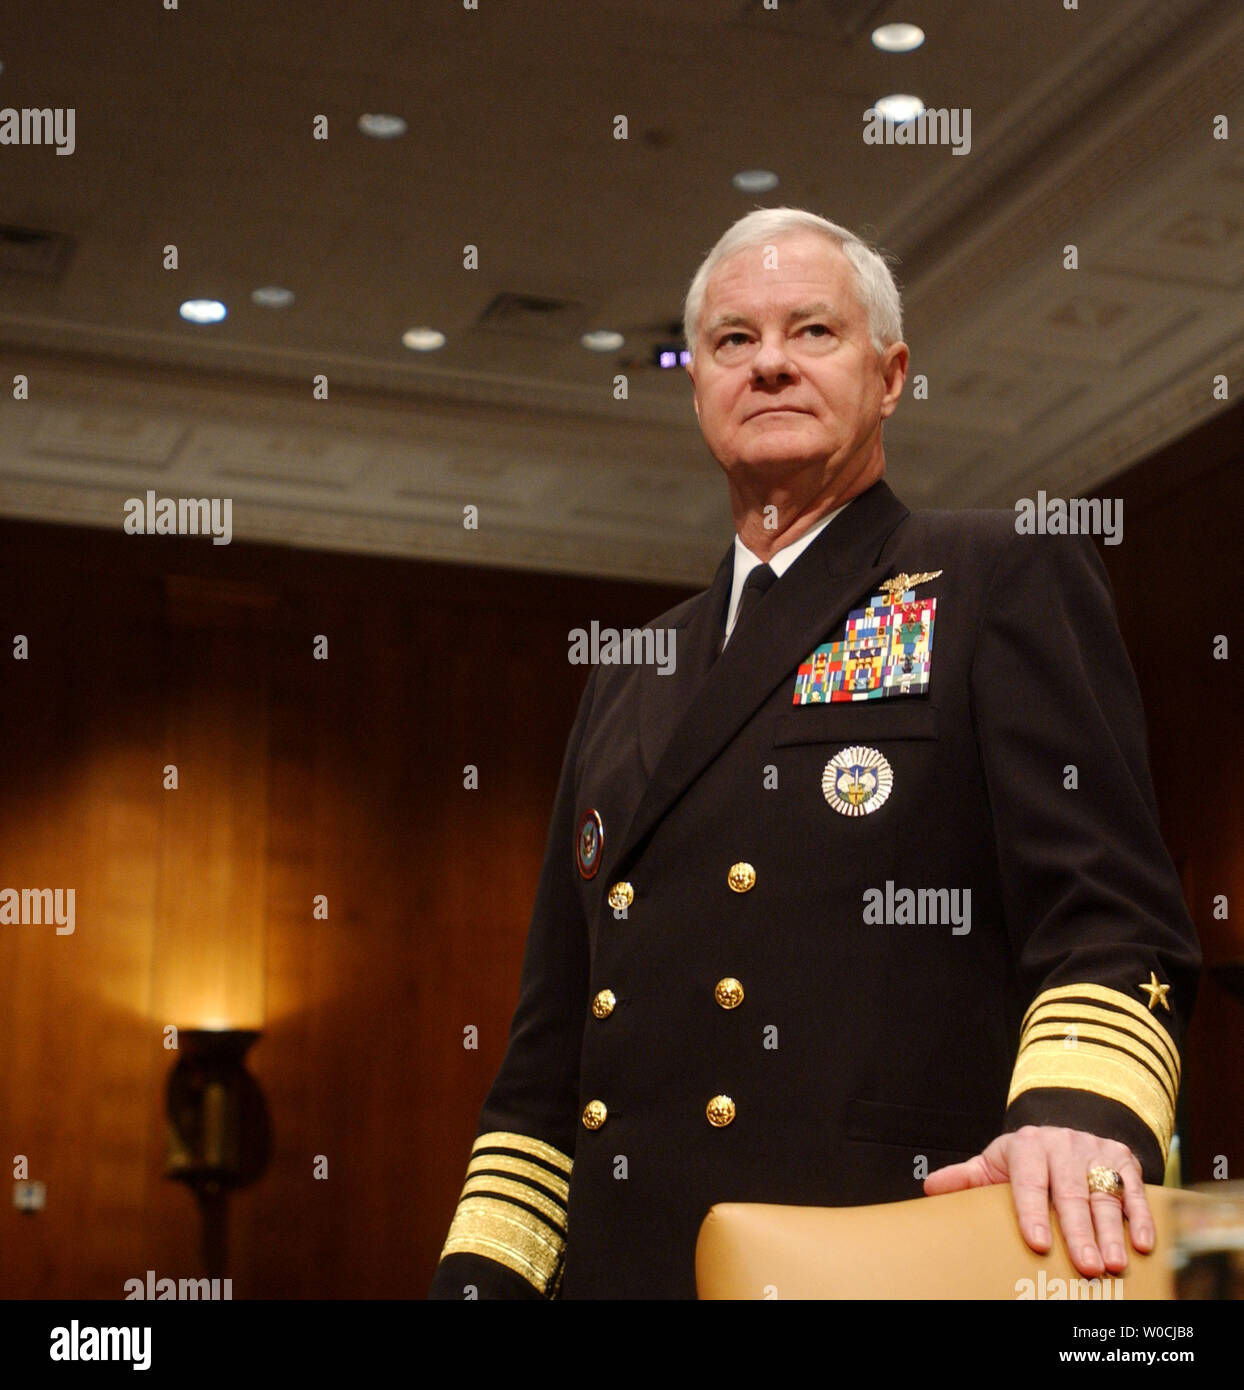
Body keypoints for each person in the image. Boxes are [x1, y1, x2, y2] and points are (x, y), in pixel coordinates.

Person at [427, 207, 1200, 1300]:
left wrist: (1076, 1117)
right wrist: (481, 1279)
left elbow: (1109, 916)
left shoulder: (991, 573)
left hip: (874, 1250)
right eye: (733, 340)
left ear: (888, 376)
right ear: (696, 382)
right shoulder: (630, 667)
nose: (770, 363)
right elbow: (552, 1042)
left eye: (812, 332)